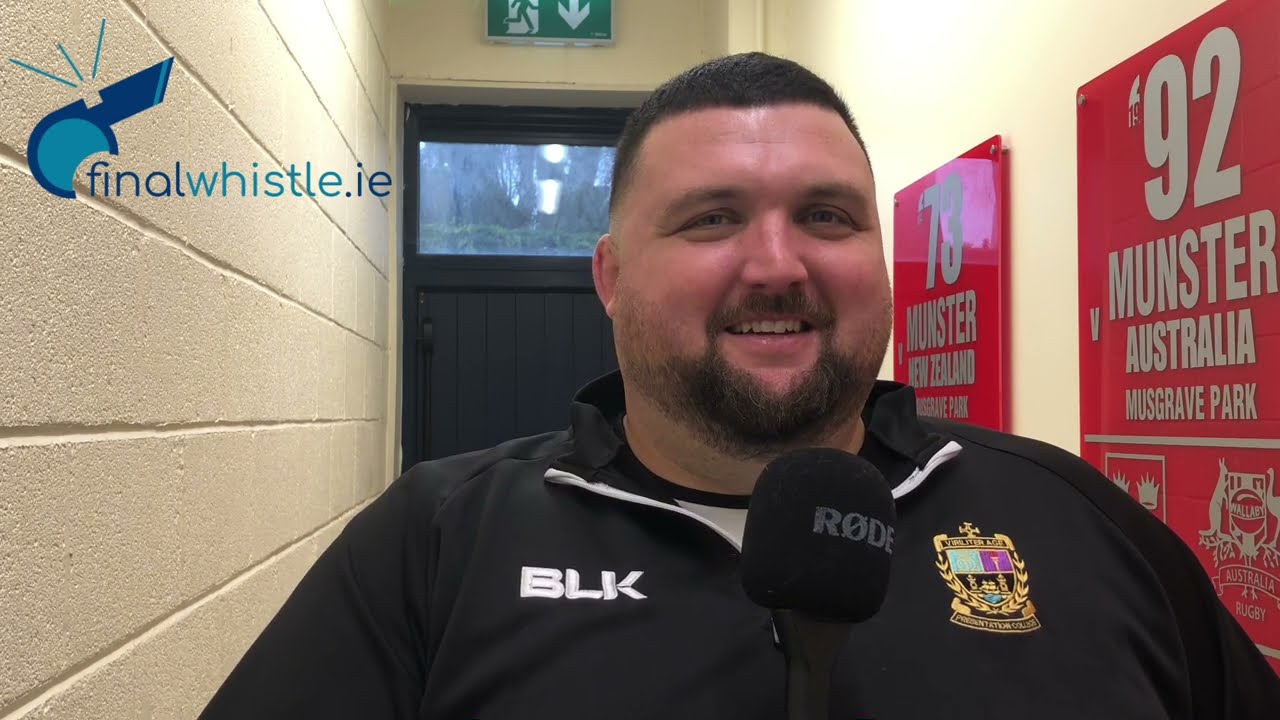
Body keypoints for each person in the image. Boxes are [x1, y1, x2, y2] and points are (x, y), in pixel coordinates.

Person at [198, 52, 1280, 719]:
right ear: (610, 278)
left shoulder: (1076, 520)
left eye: (826, 216)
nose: (775, 264)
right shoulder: (435, 545)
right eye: (711, 218)